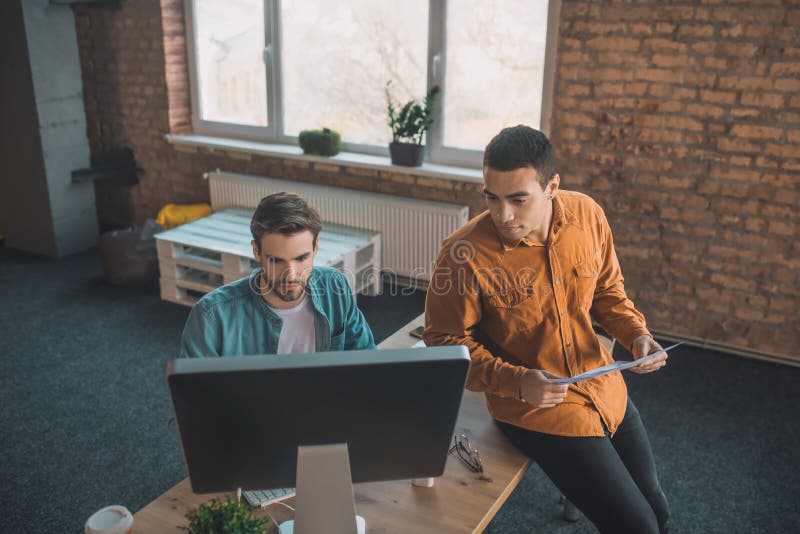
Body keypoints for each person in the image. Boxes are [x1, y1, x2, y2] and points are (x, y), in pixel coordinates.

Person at [423, 126, 669, 533]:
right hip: (538, 410)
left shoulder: (587, 214)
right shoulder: (462, 253)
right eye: (491, 197)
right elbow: (443, 345)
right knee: (639, 527)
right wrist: (518, 382)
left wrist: (636, 334)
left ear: (552, 186)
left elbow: (608, 290)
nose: (503, 214)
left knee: (658, 508)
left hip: (604, 388)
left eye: (518, 199)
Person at [180, 192, 375, 358]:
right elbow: (195, 396)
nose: (290, 274)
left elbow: (366, 358)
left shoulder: (335, 285)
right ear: (256, 251)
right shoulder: (211, 316)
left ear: (315, 247)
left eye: (301, 258)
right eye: (276, 260)